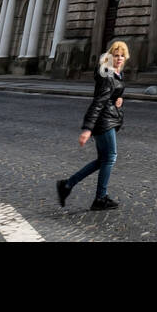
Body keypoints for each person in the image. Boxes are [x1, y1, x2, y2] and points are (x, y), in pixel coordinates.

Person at [57, 40, 127, 211]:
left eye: (122, 56)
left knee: (102, 160)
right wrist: (87, 128)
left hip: (107, 118)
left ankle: (67, 185)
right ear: (110, 56)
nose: (119, 58)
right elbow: (98, 102)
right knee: (110, 157)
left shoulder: (115, 74)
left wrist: (118, 100)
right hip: (104, 121)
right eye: (116, 55)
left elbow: (108, 97)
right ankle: (100, 198)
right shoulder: (108, 75)